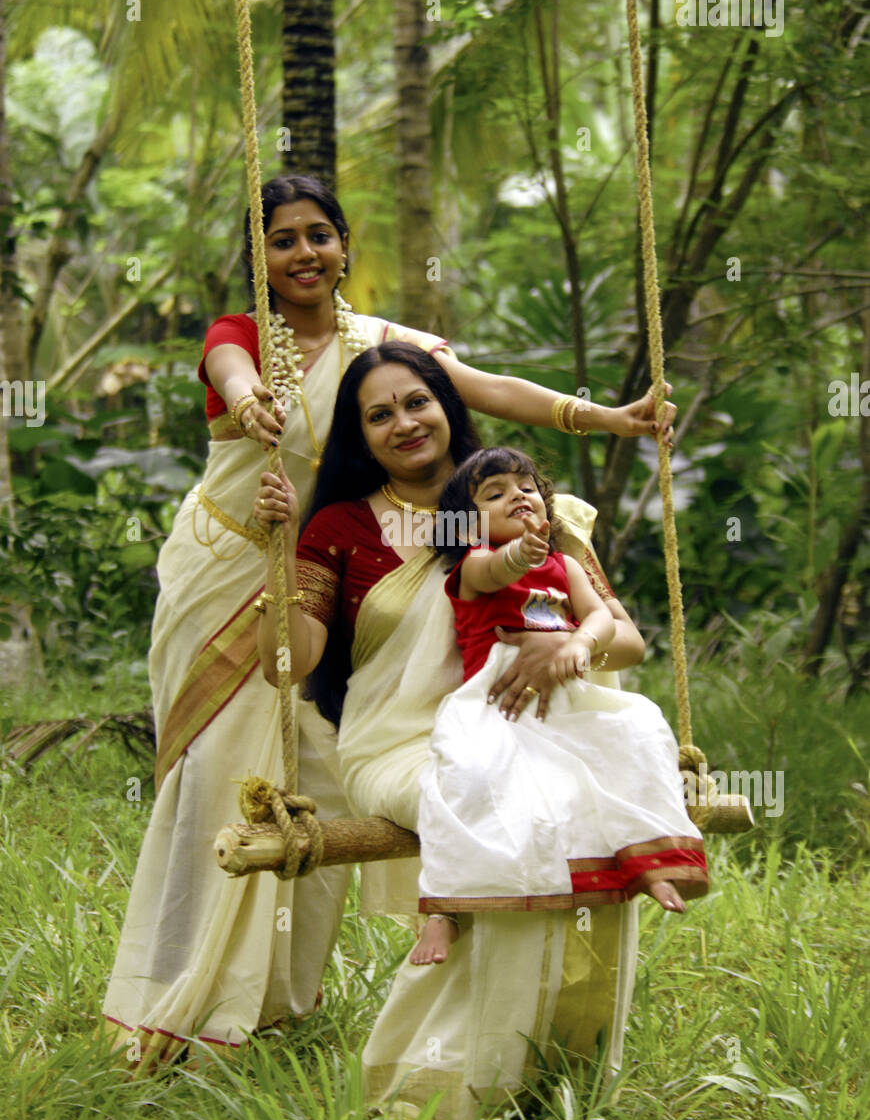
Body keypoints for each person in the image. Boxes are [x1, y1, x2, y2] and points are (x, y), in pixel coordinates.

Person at [103, 171, 675, 1069]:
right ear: (259, 258)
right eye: (282, 240)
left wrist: (606, 418)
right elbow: (232, 369)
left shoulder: (387, 352)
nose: (303, 253)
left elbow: (485, 387)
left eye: (318, 234)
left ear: (344, 246)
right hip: (236, 564)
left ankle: (282, 998)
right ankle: (179, 998)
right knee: (226, 779)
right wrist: (254, 401)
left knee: (322, 774)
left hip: (363, 554)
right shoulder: (241, 336)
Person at [256, 345, 660, 1120]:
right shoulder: (340, 526)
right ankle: (432, 1090)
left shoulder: (513, 498)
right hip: (401, 747)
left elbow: (630, 642)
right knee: (512, 814)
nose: (404, 422)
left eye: (418, 401)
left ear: (447, 405)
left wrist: (558, 645)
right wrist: (271, 550)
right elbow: (289, 663)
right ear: (359, 436)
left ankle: (555, 1080)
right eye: (379, 414)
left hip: (537, 730)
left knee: (577, 813)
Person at [407, 446, 708, 967]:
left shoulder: (565, 565)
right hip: (495, 701)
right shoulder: (473, 565)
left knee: (637, 729)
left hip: (567, 696)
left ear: (546, 507)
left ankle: (651, 859)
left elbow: (601, 619)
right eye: (494, 494)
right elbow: (496, 571)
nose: (516, 496)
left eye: (526, 488)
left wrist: (580, 645)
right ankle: (446, 907)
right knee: (465, 778)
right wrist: (519, 554)